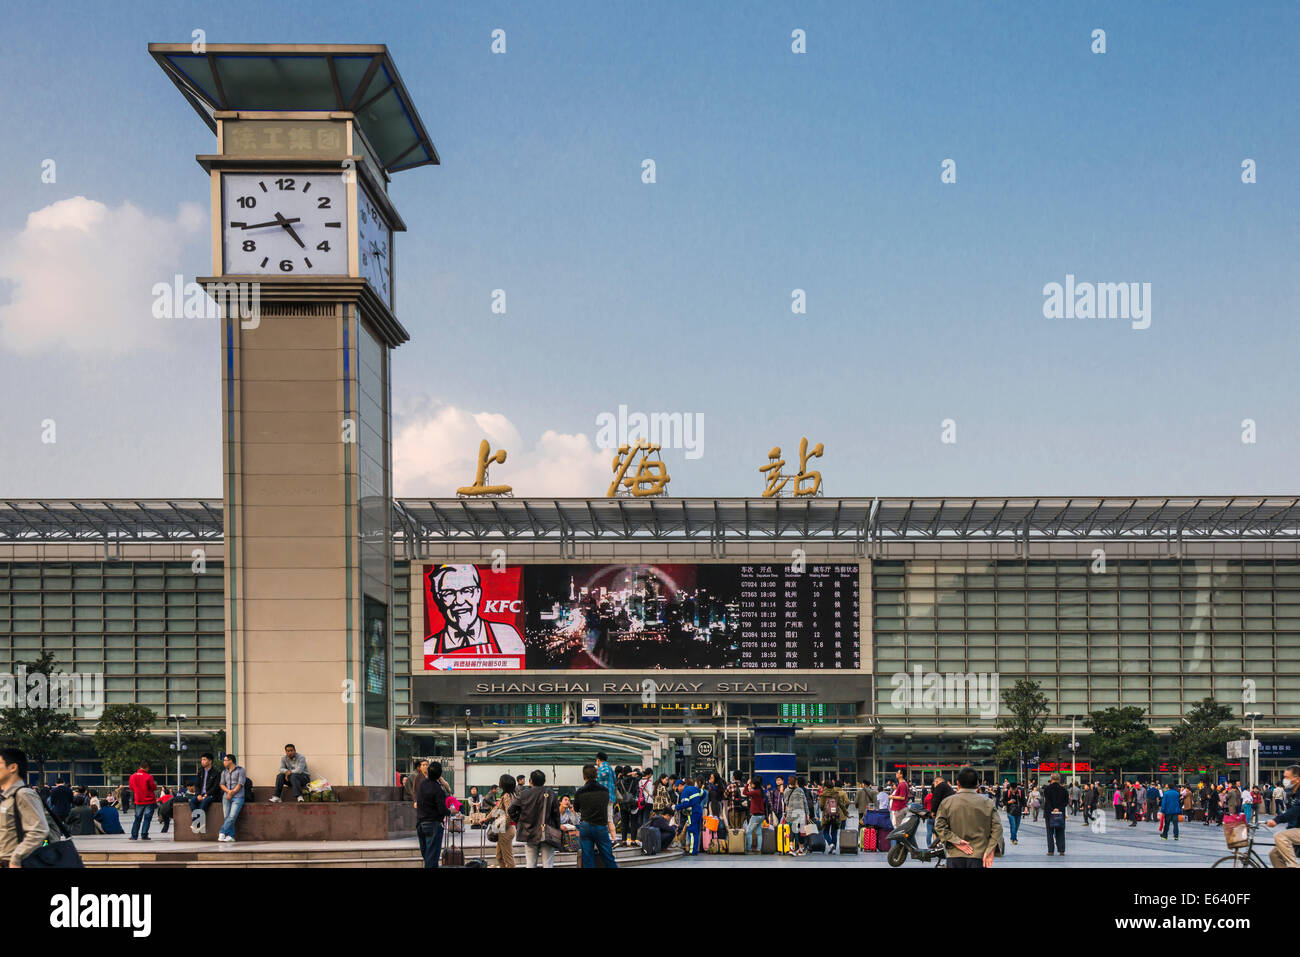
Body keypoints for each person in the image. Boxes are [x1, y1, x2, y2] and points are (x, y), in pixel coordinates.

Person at [423, 564, 526, 657]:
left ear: (478, 593)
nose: (459, 601)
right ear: (439, 599)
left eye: (467, 591)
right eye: (449, 593)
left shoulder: (505, 634)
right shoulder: (429, 647)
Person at [933, 766, 1002, 869]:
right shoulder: (987, 803)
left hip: (955, 855)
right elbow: (997, 828)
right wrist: (990, 850)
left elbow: (939, 826)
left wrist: (956, 841)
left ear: (958, 783)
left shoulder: (947, 802)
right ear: (977, 784)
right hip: (979, 855)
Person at [0, 749, 56, 868]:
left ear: (13, 767)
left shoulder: (23, 794)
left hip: (16, 864)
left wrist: (16, 859)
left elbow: (39, 830)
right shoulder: (8, 798)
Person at [511, 769, 561, 868]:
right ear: (544, 781)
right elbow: (556, 815)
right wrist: (557, 829)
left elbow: (511, 810)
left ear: (531, 781)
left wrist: (520, 821)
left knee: (530, 864)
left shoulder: (524, 794)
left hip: (529, 833)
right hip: (547, 833)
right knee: (548, 864)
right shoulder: (551, 794)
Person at [574, 764, 617, 868]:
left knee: (587, 858)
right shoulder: (604, 791)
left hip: (585, 826)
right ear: (596, 775)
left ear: (584, 776)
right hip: (600, 826)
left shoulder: (579, 792)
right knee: (608, 856)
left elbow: (576, 808)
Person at [415, 760, 448, 868]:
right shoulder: (438, 790)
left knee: (427, 856)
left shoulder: (422, 785)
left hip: (420, 824)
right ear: (440, 774)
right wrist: (450, 811)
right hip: (433, 825)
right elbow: (442, 810)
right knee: (432, 857)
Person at [486, 774, 516, 868]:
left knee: (507, 858)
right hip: (505, 829)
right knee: (499, 857)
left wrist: (500, 826)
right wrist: (487, 818)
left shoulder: (507, 796)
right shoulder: (508, 795)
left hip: (506, 829)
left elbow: (509, 815)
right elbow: (496, 809)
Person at [672, 775, 706, 854]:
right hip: (698, 811)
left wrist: (675, 807)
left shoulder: (684, 792)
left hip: (692, 813)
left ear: (680, 785)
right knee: (696, 831)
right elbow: (703, 793)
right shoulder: (693, 788)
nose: (678, 791)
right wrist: (697, 802)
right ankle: (695, 850)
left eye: (677, 788)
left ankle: (692, 851)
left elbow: (685, 804)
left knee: (692, 831)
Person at [190, 752, 223, 833]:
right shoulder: (200, 771)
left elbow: (216, 787)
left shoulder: (216, 772)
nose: (202, 761)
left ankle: (196, 823)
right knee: (193, 801)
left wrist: (206, 794)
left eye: (204, 759)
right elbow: (197, 785)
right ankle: (198, 822)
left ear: (210, 761)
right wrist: (198, 795)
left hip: (212, 795)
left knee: (205, 802)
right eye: (202, 760)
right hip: (201, 794)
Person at [218, 753, 246, 843]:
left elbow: (240, 783)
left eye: (225, 760)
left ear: (230, 761)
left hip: (238, 797)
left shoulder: (241, 770)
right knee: (226, 816)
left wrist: (232, 792)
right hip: (226, 797)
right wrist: (228, 792)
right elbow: (221, 784)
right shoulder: (224, 772)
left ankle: (222, 832)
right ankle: (231, 836)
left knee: (232, 816)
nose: (224, 762)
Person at [128, 761, 159, 841]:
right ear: (147, 767)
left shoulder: (132, 776)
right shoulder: (149, 777)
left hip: (138, 800)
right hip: (149, 800)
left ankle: (134, 835)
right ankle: (144, 834)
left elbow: (131, 787)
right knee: (147, 818)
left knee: (137, 818)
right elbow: (153, 787)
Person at [1042, 772, 1069, 856]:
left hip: (1049, 813)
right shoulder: (1064, 790)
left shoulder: (1047, 789)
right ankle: (1061, 850)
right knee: (1060, 831)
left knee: (1050, 832)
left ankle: (1051, 850)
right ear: (1059, 779)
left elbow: (1047, 801)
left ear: (1051, 779)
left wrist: (1052, 809)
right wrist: (1058, 809)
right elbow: (1066, 802)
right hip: (1060, 813)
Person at [784, 775, 810, 856]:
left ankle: (791, 847)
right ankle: (800, 849)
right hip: (800, 813)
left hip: (791, 813)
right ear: (796, 782)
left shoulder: (786, 790)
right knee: (800, 831)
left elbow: (786, 801)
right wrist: (807, 813)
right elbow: (805, 802)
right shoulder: (800, 790)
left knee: (793, 830)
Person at [595, 751, 617, 842]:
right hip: (611, 797)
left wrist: (596, 772)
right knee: (609, 818)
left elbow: (602, 776)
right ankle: (613, 838)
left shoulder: (603, 767)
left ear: (598, 760)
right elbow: (615, 779)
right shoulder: (611, 768)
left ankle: (611, 839)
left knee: (606, 819)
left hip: (604, 797)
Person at [929, 773, 955, 847]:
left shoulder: (940, 787)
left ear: (937, 781)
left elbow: (935, 799)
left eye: (934, 782)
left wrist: (933, 811)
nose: (934, 785)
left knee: (937, 828)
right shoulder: (947, 787)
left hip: (944, 812)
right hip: (951, 811)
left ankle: (936, 845)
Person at [742, 775, 766, 853]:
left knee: (748, 831)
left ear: (755, 784)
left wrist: (746, 784)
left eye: (752, 784)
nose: (751, 785)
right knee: (759, 832)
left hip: (755, 815)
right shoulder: (761, 791)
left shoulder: (755, 792)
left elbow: (744, 792)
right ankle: (758, 849)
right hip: (762, 815)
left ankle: (748, 848)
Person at [1002, 780, 1025, 845]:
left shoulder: (1020, 792)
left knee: (1017, 826)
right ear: (1010, 788)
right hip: (1010, 812)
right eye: (1012, 789)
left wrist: (1025, 808)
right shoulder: (1007, 793)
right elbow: (1003, 802)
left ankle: (1012, 837)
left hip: (1018, 811)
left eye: (1015, 789)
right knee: (1013, 825)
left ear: (1017, 788)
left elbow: (1023, 800)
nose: (1014, 791)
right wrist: (1009, 802)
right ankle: (1015, 839)